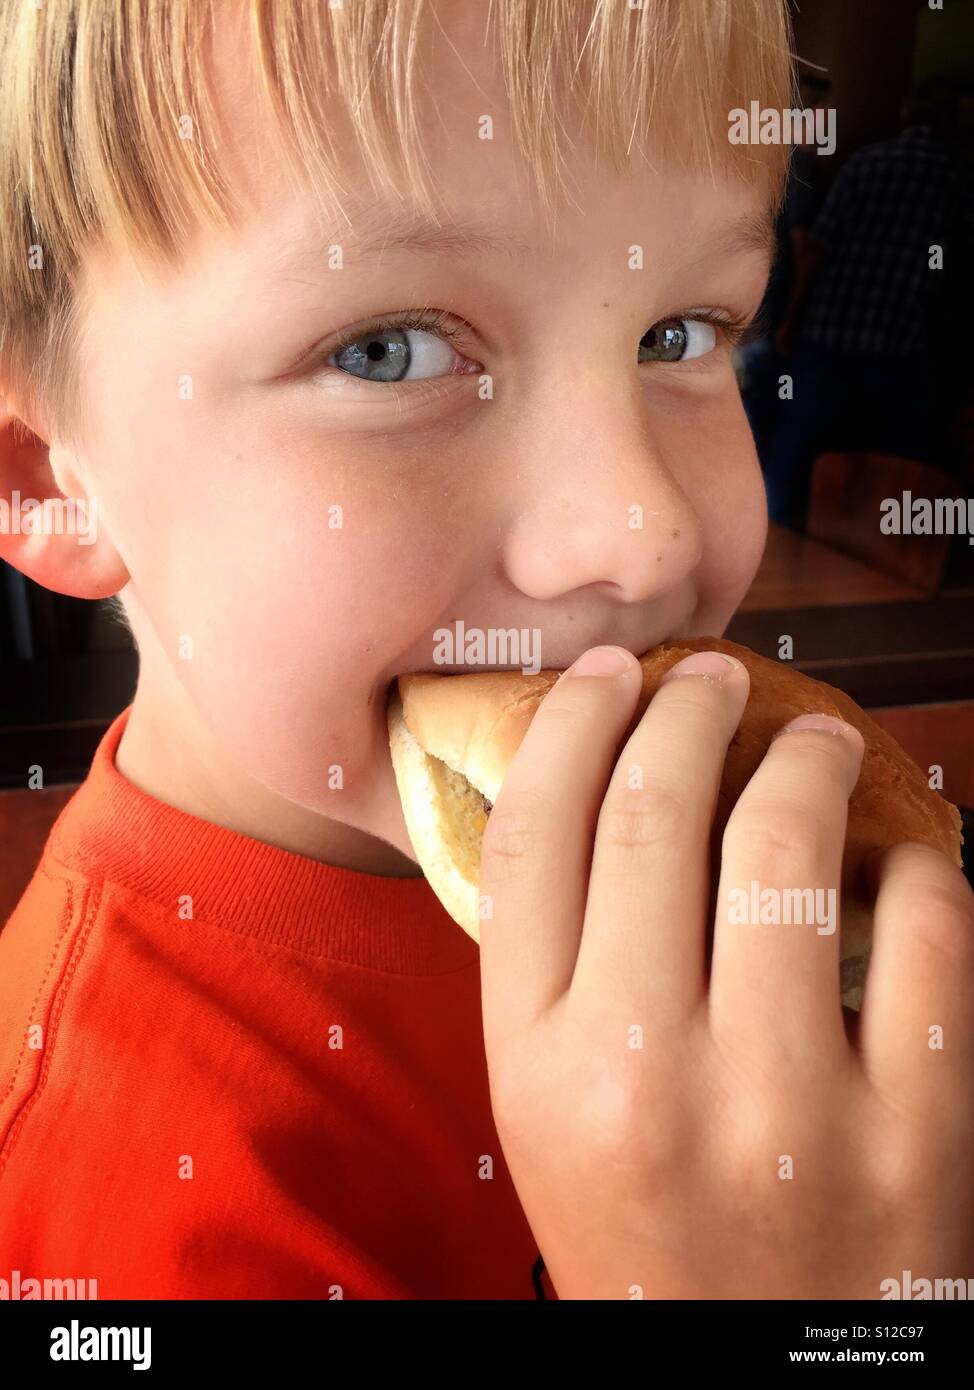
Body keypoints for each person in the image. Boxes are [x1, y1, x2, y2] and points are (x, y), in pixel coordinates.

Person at [0, 0, 971, 1300]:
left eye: (678, 332)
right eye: (384, 350)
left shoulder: (730, 859)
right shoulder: (117, 1227)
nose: (640, 528)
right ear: (44, 479)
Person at [765, 81, 974, 529]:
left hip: (830, 326)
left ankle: (776, 532)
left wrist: (793, 317)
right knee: (897, 452)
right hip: (903, 335)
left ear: (905, 113)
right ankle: (882, 546)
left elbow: (815, 248)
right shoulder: (957, 173)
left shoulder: (866, 161)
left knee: (799, 438)